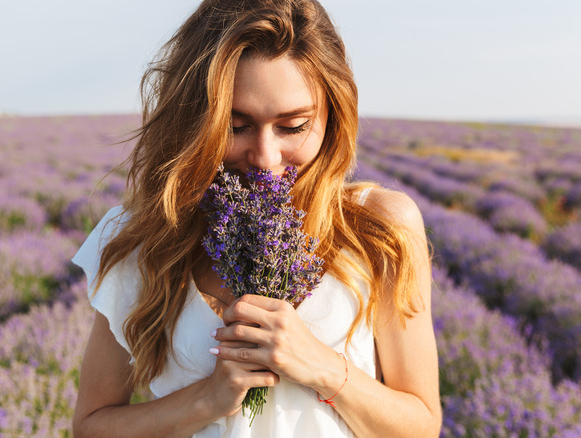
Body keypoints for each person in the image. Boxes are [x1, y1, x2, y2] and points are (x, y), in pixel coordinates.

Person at [71, 0, 441, 436]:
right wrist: (207, 399)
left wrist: (323, 368)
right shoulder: (146, 237)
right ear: (195, 121)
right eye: (236, 125)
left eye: (293, 126)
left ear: (333, 116)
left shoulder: (379, 228)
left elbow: (421, 425)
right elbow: (91, 427)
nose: (265, 159)